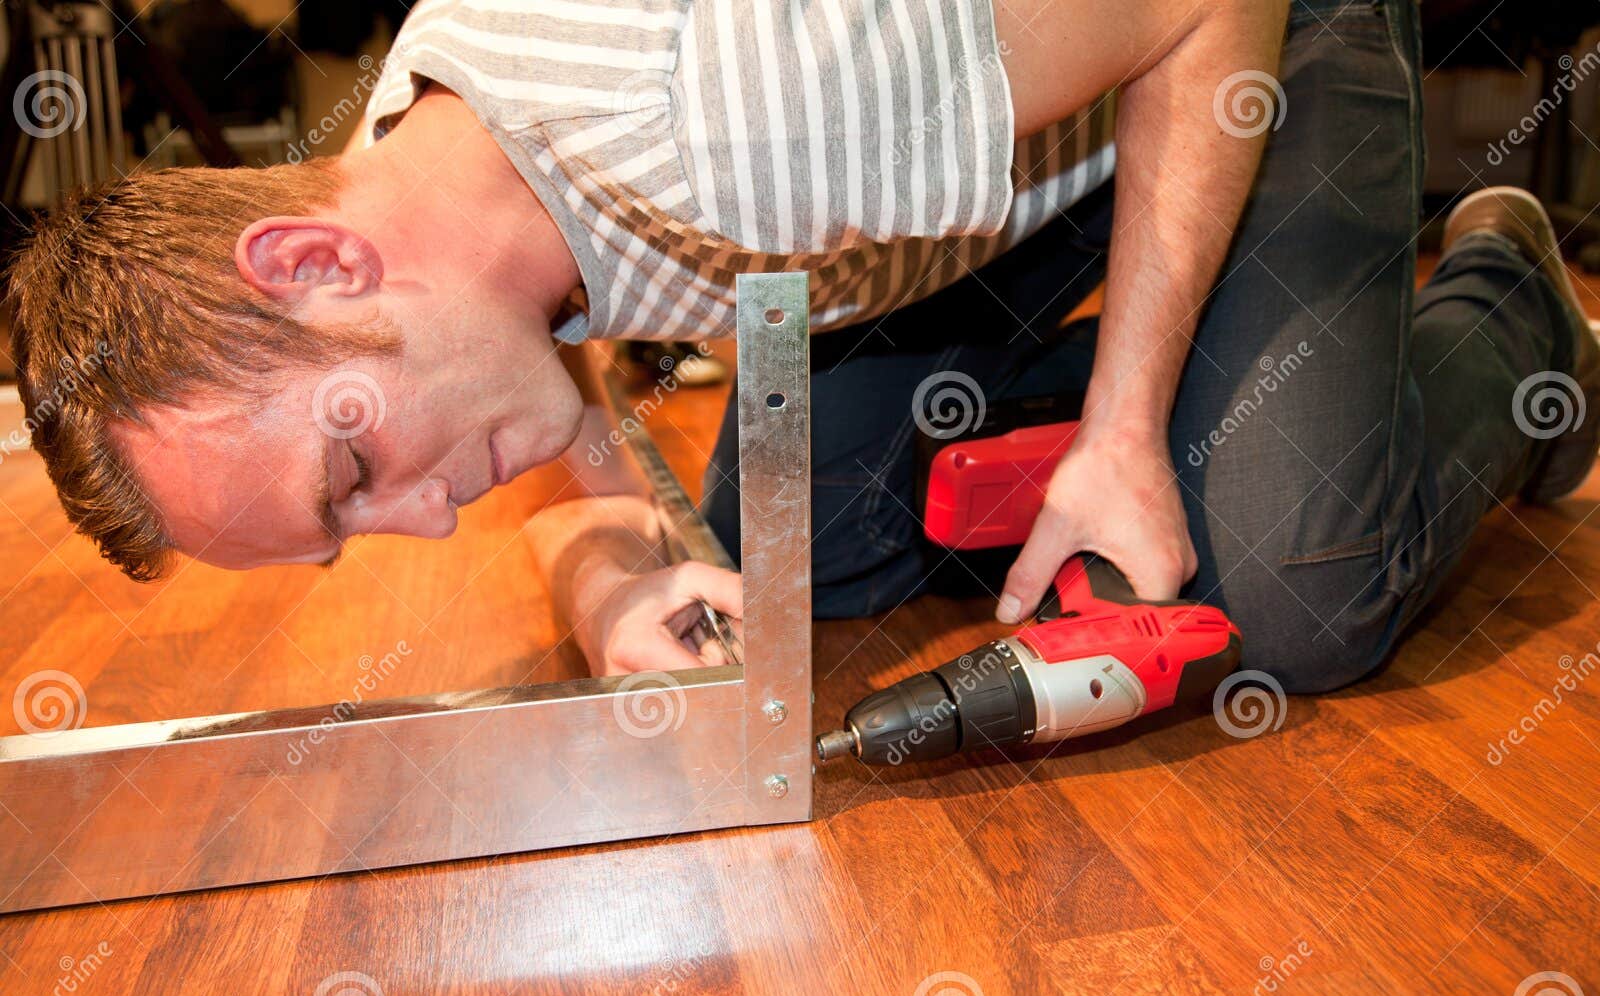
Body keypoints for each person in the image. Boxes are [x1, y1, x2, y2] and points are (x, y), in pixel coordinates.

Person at [10, 0, 1597, 692]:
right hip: (970, 165)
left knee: (1301, 595)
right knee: (748, 575)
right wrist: (612, 569)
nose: (414, 518)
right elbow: (547, 410)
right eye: (345, 533)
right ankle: (1182, 407)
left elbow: (1201, 9)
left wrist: (1125, 435)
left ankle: (1511, 302)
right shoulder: (437, 161)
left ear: (313, 258)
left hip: (1236, 49)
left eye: (350, 470)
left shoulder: (721, 119)